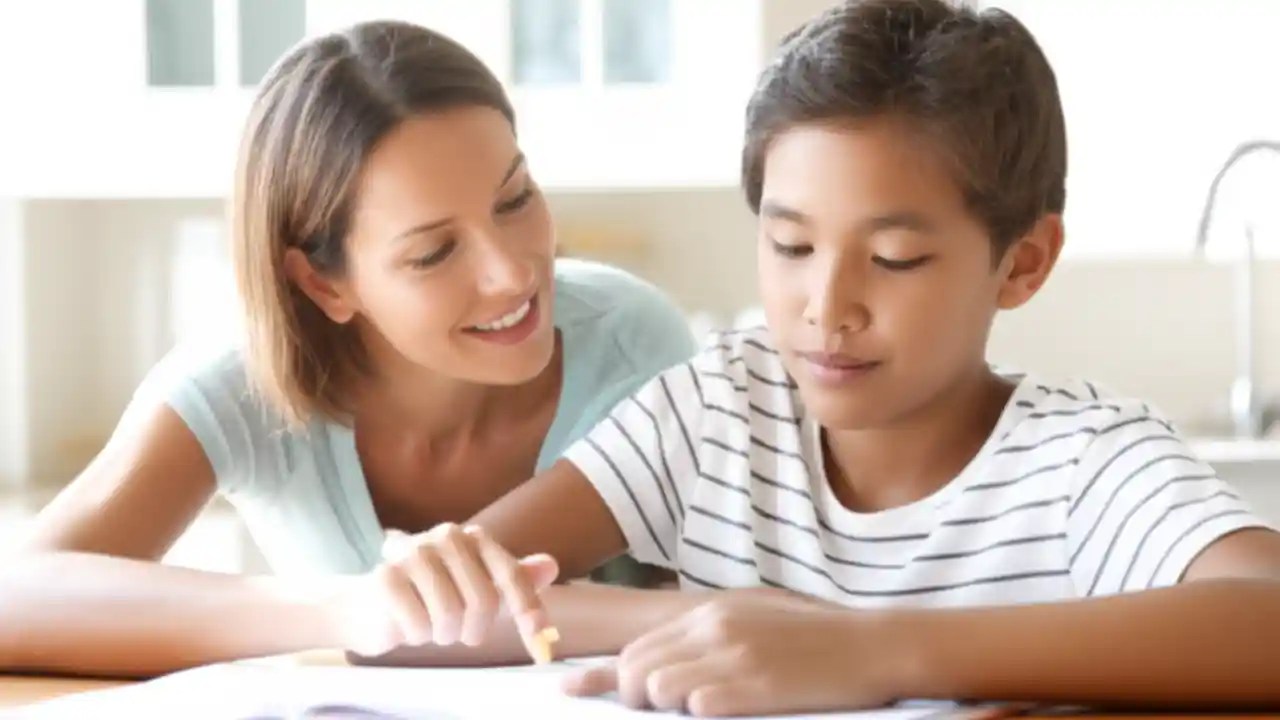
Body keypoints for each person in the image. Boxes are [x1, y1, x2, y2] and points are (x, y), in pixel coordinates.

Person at [367, 0, 1280, 715]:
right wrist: (713, 625)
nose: (825, 308)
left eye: (894, 260)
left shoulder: (1082, 463)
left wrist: (874, 651)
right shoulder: (717, 409)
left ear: (1023, 261)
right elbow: (432, 608)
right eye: (791, 247)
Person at [0, 20, 697, 677]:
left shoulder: (631, 342)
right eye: (433, 252)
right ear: (322, 282)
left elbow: (711, 613)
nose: (513, 272)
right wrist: (347, 609)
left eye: (514, 199)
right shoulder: (239, 384)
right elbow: (18, 598)